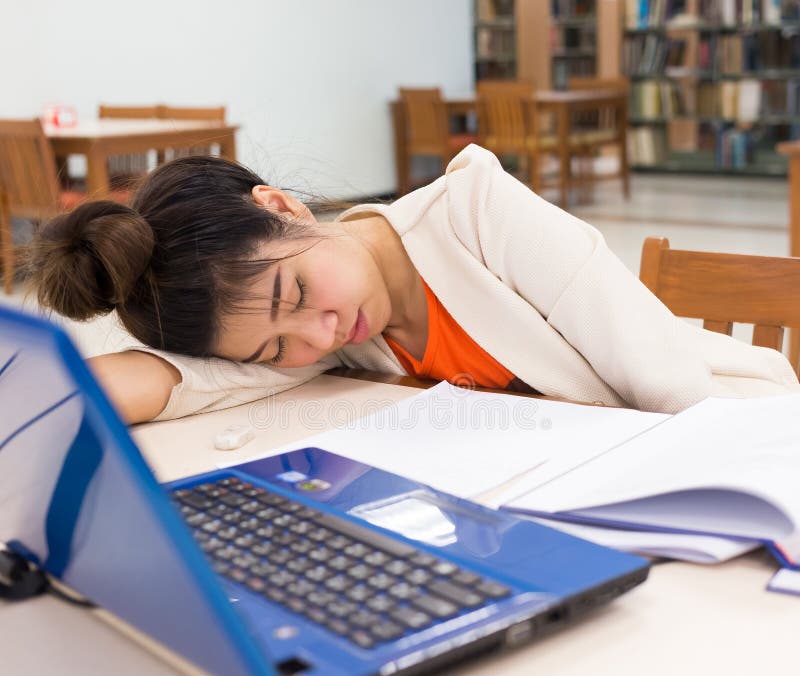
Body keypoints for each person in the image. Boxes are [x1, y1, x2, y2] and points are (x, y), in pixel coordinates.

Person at [27, 144, 798, 424]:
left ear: (281, 206)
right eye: (276, 349)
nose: (321, 336)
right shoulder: (338, 332)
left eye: (294, 297)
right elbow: (207, 379)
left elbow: (661, 377)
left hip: (727, 425)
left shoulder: (477, 212)